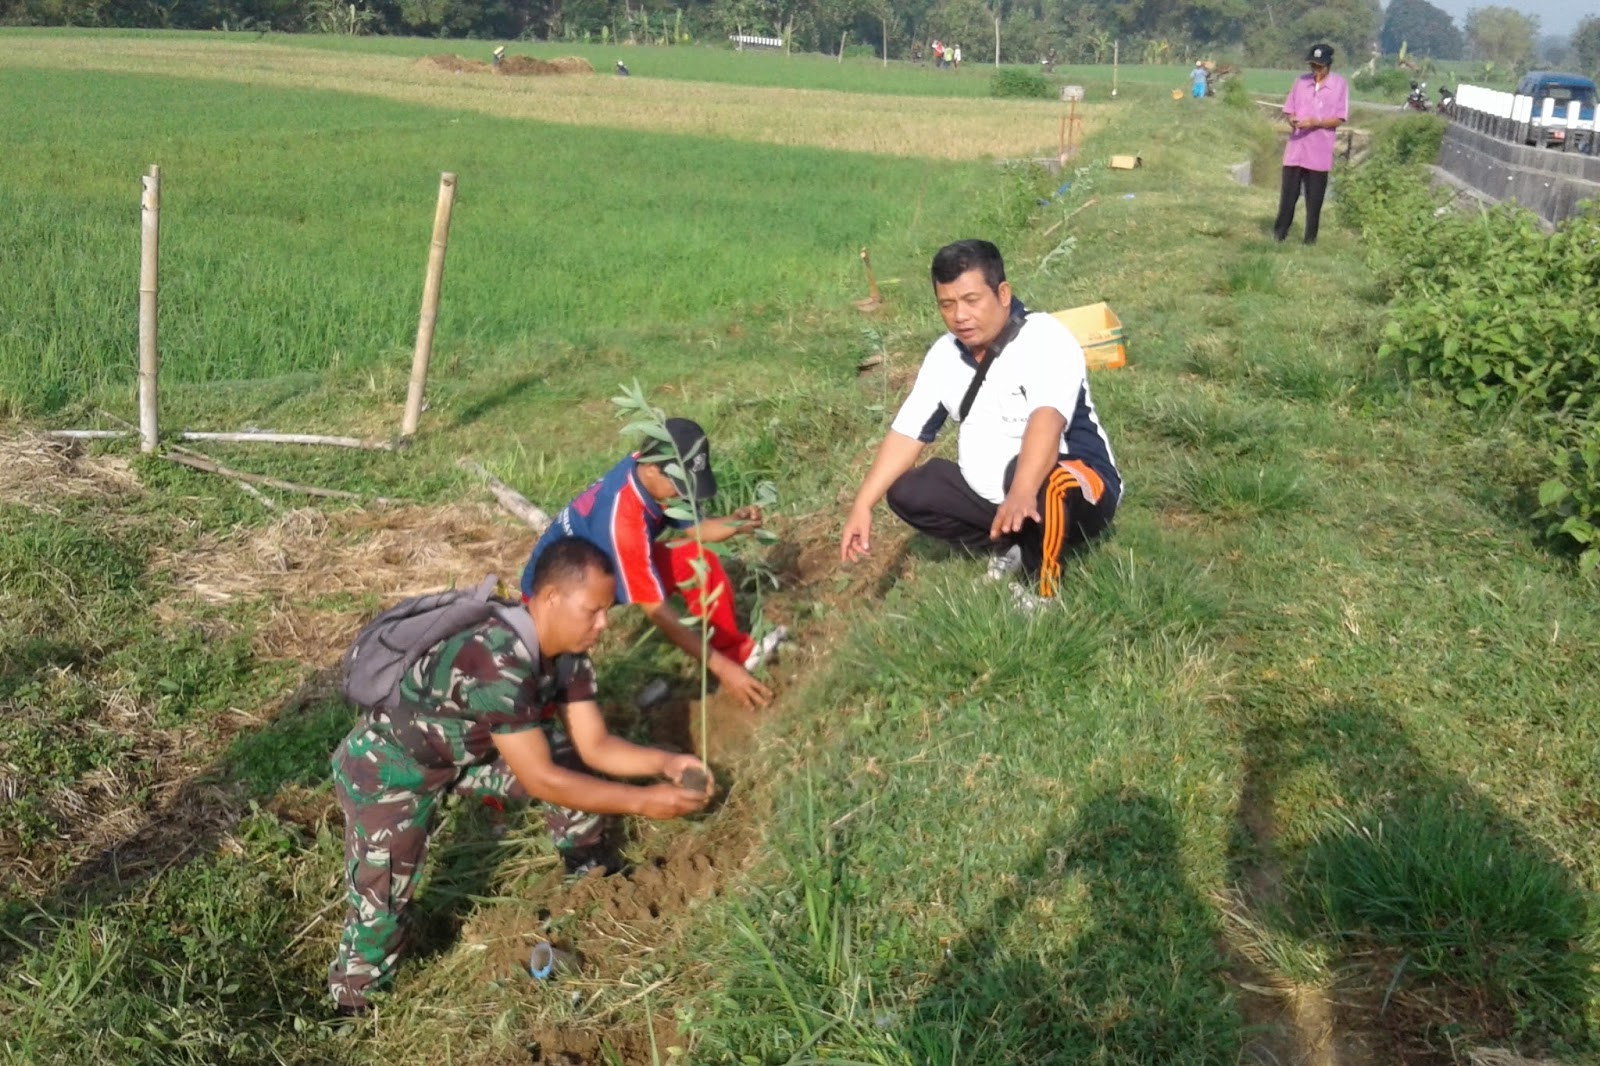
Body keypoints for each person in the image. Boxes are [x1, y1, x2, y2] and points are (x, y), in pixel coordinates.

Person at [327, 538, 713, 1015]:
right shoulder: (494, 659)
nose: (604, 623)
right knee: (381, 900)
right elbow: (542, 780)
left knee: (566, 754)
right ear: (550, 598)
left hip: (466, 756)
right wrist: (644, 802)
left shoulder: (568, 653)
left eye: (607, 610)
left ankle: (589, 868)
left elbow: (595, 745)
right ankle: (354, 1004)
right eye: (593, 610)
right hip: (391, 770)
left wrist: (665, 764)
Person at [839, 240, 1121, 607]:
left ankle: (1044, 591)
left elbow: (1047, 421)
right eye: (947, 304)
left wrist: (1021, 489)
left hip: (1075, 488)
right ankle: (1015, 544)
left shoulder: (1044, 338)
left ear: (1003, 294)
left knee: (1039, 480)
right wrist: (863, 504)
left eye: (971, 300)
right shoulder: (944, 355)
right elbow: (908, 432)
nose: (960, 316)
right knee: (909, 490)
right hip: (1003, 498)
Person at [521, 418, 786, 710]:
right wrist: (722, 671)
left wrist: (735, 523)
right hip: (558, 592)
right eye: (680, 485)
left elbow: (697, 529)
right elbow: (657, 611)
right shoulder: (625, 521)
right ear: (651, 470)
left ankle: (737, 653)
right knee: (549, 675)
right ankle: (539, 718)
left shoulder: (654, 473)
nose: (685, 494)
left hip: (607, 562)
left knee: (696, 562)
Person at [1274, 43, 1348, 246]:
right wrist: (1292, 120)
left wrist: (1317, 123)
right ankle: (1279, 235)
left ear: (1328, 65)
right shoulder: (1300, 82)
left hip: (1319, 151)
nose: (1315, 70)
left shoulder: (1339, 85)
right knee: (1288, 197)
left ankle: (1309, 240)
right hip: (1296, 149)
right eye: (1312, 66)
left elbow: (1340, 118)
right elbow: (1289, 110)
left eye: (1319, 66)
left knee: (1314, 200)